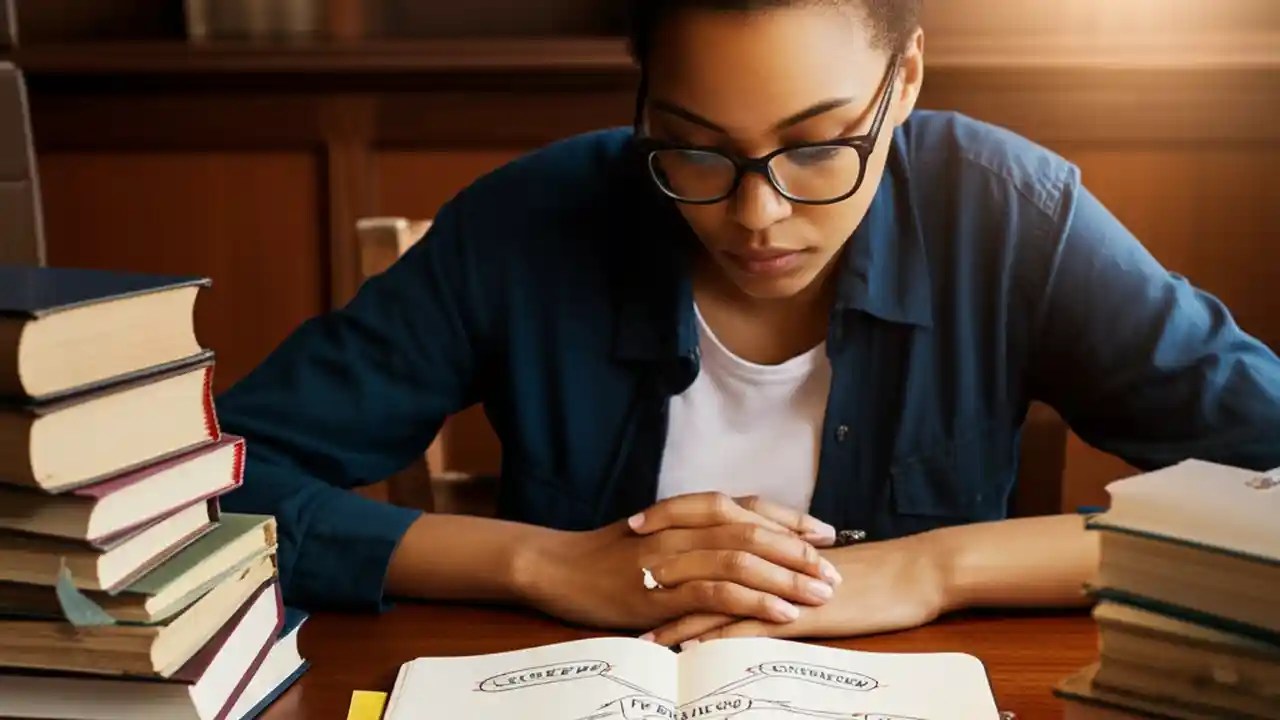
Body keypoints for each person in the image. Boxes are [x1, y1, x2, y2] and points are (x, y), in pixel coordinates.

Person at [214, 0, 1280, 649]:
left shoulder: (1010, 217)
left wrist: (931, 570)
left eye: (818, 148)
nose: (757, 216)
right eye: (692, 148)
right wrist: (543, 565)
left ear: (904, 79)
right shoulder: (526, 223)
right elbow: (209, 490)